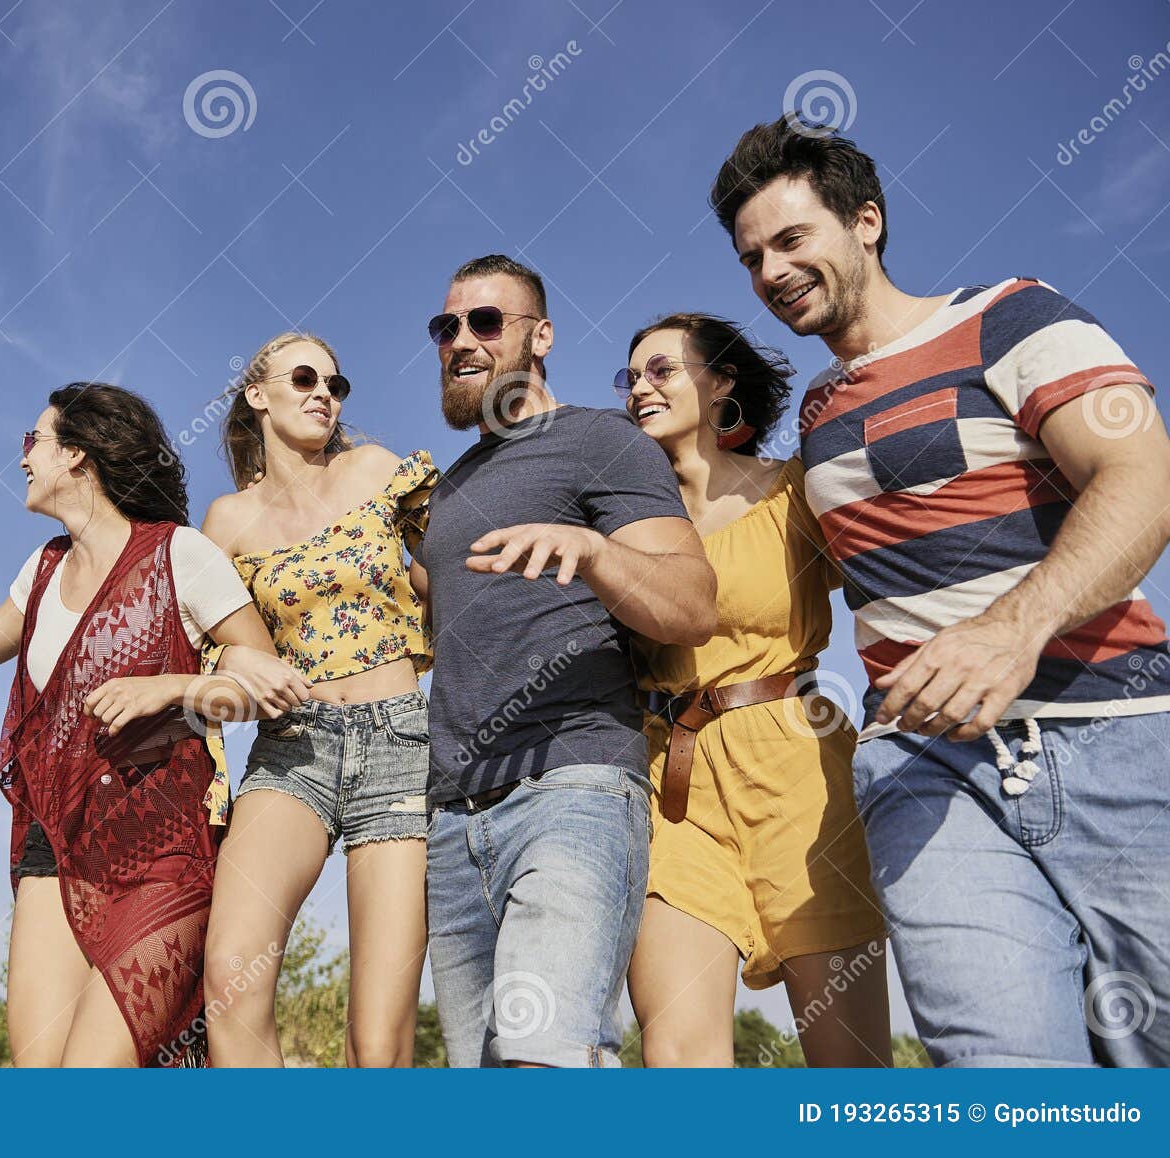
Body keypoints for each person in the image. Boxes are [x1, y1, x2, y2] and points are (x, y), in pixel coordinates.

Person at [712, 114, 1170, 1066]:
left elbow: (1140, 478)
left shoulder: (1010, 315)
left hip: (1117, 736)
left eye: (793, 239)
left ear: (866, 221)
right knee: (1003, 1082)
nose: (772, 271)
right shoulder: (820, 414)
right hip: (923, 773)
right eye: (753, 256)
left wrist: (1015, 627)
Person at [0, 383, 275, 1068]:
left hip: (159, 848)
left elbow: (265, 684)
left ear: (77, 454)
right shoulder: (43, 567)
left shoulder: (179, 553)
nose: (23, 459)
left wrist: (175, 688)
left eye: (34, 441)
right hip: (52, 845)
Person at [417, 254, 718, 1067]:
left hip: (573, 788)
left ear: (541, 335)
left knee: (544, 1056)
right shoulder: (446, 494)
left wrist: (591, 552)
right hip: (452, 821)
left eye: (486, 321)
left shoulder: (598, 440)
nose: (461, 341)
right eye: (447, 327)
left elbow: (691, 605)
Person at [616, 312, 891, 1067]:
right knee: (676, 1057)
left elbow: (895, 576)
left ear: (721, 382)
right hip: (669, 781)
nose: (640, 387)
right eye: (629, 376)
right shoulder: (624, 524)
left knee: (849, 1065)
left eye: (661, 370)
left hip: (798, 774)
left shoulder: (793, 492)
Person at [199, 331, 436, 1067]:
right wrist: (234, 654)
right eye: (304, 377)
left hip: (401, 742)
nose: (323, 394)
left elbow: (456, 586)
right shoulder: (225, 522)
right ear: (256, 393)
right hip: (292, 748)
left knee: (379, 1036)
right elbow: (203, 655)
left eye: (336, 384)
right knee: (229, 985)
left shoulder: (375, 471)